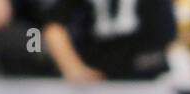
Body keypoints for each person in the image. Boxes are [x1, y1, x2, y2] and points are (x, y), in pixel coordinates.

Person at [42, 0, 174, 81]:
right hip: (100, 83)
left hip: (152, 78)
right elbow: (54, 27)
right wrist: (74, 69)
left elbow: (169, 34)